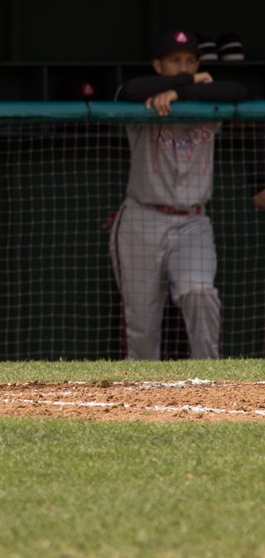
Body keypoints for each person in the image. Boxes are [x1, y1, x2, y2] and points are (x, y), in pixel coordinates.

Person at [111, 29, 250, 360]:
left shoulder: (209, 99)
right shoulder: (143, 99)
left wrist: (180, 90)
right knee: (142, 324)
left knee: (199, 291)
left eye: (190, 61)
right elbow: (128, 90)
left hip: (192, 222)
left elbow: (240, 91)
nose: (183, 66)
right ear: (158, 65)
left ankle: (211, 378)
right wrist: (183, 85)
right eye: (174, 61)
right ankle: (142, 392)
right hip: (142, 218)